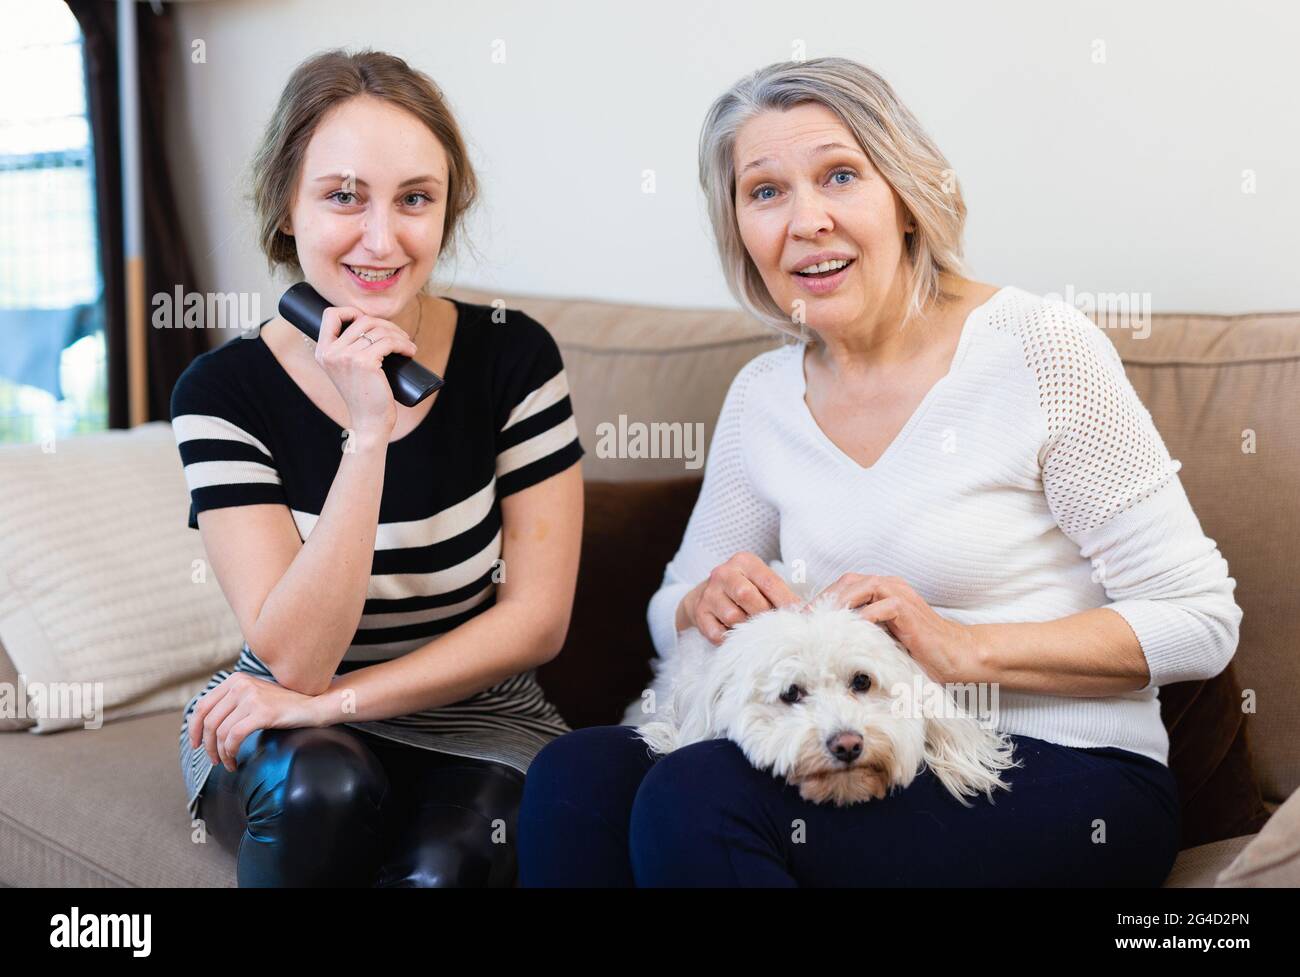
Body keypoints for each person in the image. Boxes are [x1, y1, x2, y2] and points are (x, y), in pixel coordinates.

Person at [516, 57, 1242, 887]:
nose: (806, 219)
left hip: (1063, 772)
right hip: (848, 744)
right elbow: (665, 609)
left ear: (904, 197)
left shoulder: (1040, 350)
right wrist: (699, 603)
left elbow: (1200, 618)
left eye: (839, 176)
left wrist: (964, 647)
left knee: (695, 797)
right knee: (575, 776)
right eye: (765, 192)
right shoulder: (764, 397)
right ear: (740, 230)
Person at [171, 48, 584, 887]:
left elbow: (537, 621)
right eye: (343, 197)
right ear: (287, 207)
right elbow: (295, 663)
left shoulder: (514, 356)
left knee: (449, 867)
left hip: (480, 720)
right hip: (288, 723)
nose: (383, 239)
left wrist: (335, 704)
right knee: (324, 787)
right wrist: (369, 435)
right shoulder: (221, 390)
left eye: (415, 201)